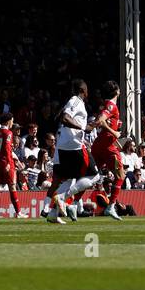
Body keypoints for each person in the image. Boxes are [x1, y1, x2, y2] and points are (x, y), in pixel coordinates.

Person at [46, 80, 99, 224]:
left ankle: (52, 212)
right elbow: (65, 117)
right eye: (87, 90)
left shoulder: (75, 102)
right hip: (73, 146)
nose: (88, 93)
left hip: (65, 146)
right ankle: (63, 198)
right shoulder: (76, 101)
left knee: (69, 179)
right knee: (94, 176)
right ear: (83, 90)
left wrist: (86, 127)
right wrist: (82, 128)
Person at [90, 81, 125, 220]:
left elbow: (101, 121)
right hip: (107, 147)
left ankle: (74, 203)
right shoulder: (111, 105)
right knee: (120, 176)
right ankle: (111, 206)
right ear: (116, 91)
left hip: (100, 143)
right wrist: (115, 133)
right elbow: (101, 120)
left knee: (90, 177)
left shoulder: (105, 104)